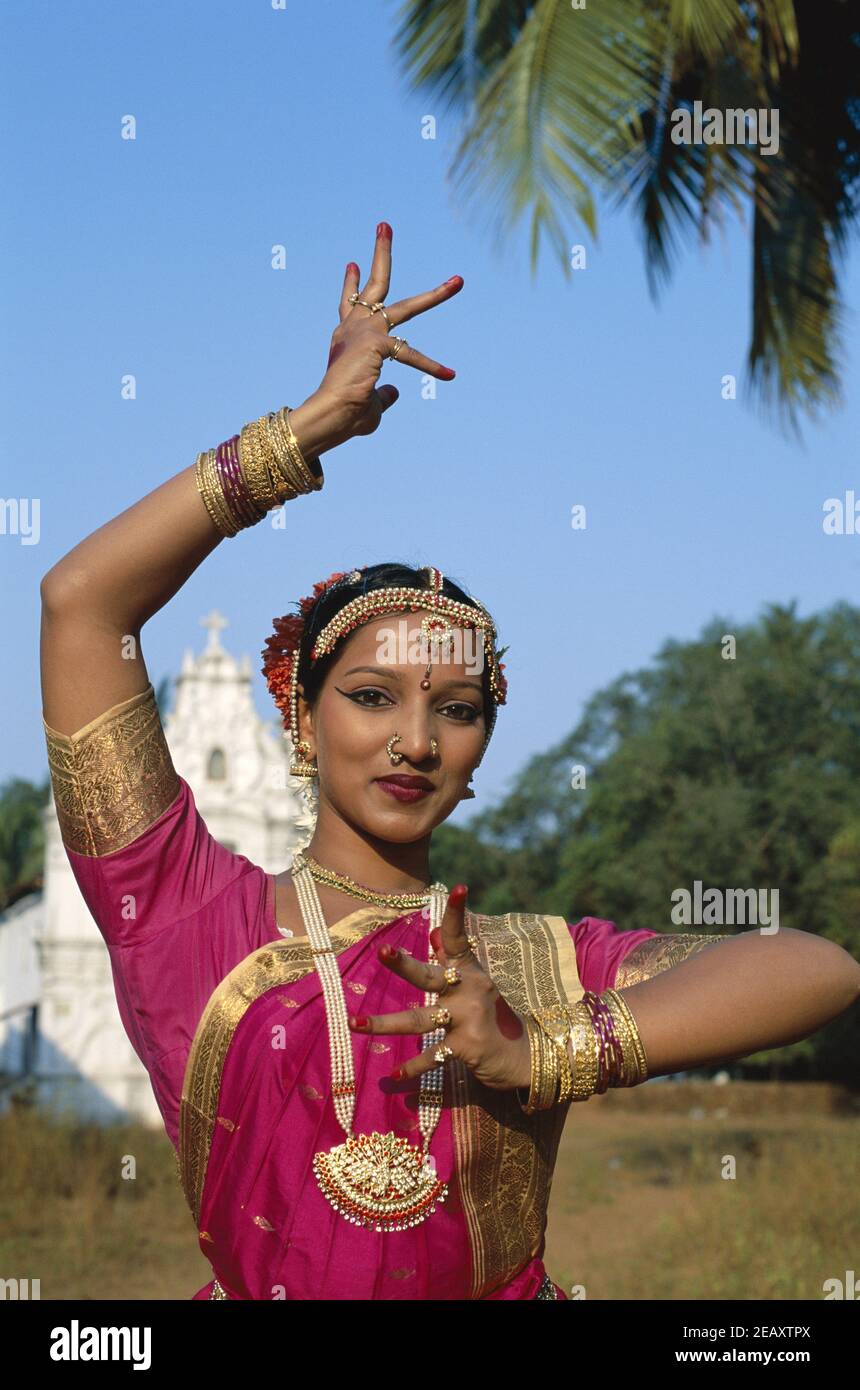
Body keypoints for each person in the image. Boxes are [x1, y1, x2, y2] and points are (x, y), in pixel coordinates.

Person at [40, 224, 860, 1301]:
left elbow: (818, 967)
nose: (415, 741)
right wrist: (307, 431)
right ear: (300, 716)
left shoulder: (531, 962)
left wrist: (541, 1053)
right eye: (372, 696)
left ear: (480, 748)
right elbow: (82, 604)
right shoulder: (187, 913)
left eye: (457, 709)